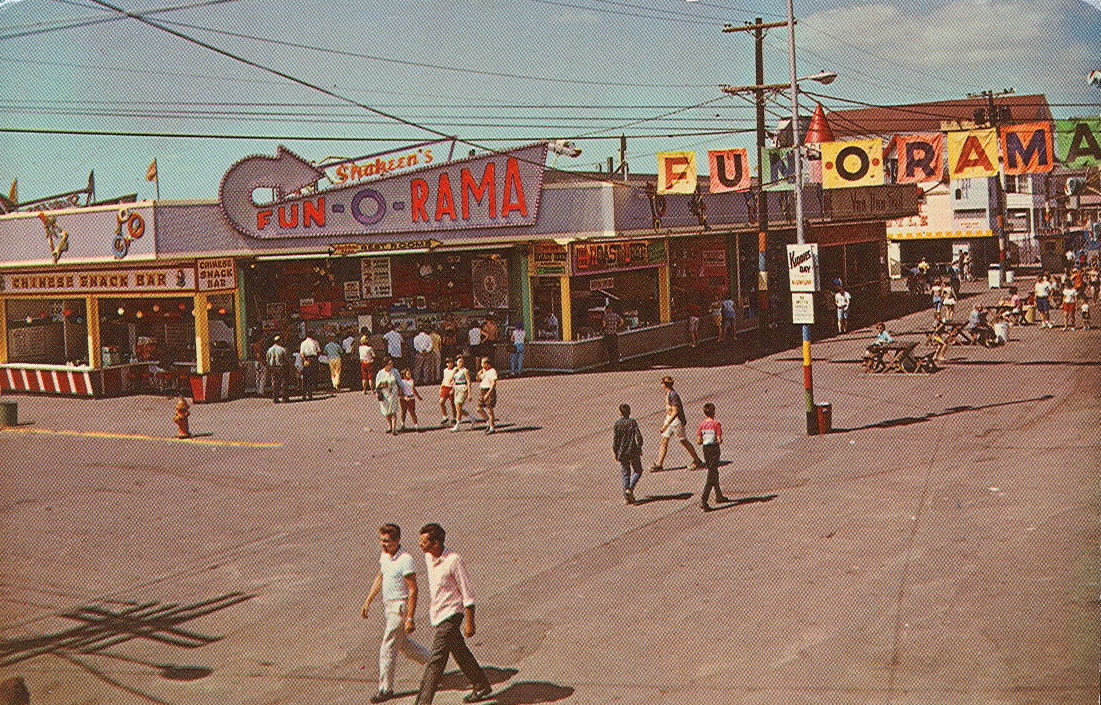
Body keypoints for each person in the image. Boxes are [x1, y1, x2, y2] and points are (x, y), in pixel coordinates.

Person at [413, 523, 493, 705]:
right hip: (438, 614)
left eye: (424, 542)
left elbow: (467, 593)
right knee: (459, 650)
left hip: (452, 615)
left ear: (436, 543)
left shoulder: (453, 560)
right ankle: (481, 684)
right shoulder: (428, 557)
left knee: (436, 661)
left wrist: (469, 622)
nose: (420, 545)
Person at [361, 524, 430, 704]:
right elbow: (380, 576)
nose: (383, 545)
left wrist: (410, 618)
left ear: (397, 540)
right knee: (403, 645)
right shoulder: (385, 556)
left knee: (387, 647)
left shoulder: (405, 559)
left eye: (387, 541)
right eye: (381, 540)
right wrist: (368, 600)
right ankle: (434, 664)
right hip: (388, 607)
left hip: (400, 608)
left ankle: (385, 688)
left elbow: (413, 589)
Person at [650, 376, 702, 473]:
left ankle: (697, 460)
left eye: (662, 383)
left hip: (676, 421)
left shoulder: (673, 395)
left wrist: (666, 425)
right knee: (664, 440)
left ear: (664, 384)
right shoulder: (669, 393)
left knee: (683, 441)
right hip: (669, 419)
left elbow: (675, 411)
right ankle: (659, 464)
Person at [696, 403, 731, 511]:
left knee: (713, 471)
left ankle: (718, 495)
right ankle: (704, 499)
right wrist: (718, 439)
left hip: (706, 450)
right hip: (714, 449)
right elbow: (719, 439)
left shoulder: (702, 425)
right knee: (712, 474)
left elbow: (698, 440)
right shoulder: (716, 424)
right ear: (714, 412)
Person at [612, 403, 644, 505]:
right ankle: (630, 489)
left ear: (620, 413)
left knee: (625, 474)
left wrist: (616, 453)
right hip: (633, 450)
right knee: (638, 470)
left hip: (622, 452)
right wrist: (639, 448)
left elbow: (615, 441)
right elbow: (639, 437)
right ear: (629, 412)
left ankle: (626, 498)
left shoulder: (617, 424)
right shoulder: (632, 422)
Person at [375, 357, 400, 435]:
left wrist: (402, 390)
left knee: (393, 411)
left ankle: (394, 428)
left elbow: (399, 381)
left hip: (393, 392)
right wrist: (381, 387)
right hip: (384, 393)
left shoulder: (395, 371)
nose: (391, 365)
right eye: (389, 364)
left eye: (391, 363)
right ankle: (390, 426)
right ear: (385, 365)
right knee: (386, 412)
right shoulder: (380, 373)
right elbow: (377, 385)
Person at [475, 357, 498, 434]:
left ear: (487, 364)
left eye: (483, 363)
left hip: (489, 390)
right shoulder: (483, 371)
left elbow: (493, 383)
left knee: (489, 409)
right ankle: (488, 421)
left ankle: (492, 427)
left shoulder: (492, 371)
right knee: (478, 408)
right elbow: (478, 379)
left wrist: (488, 394)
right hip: (482, 390)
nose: (481, 365)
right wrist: (479, 374)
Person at [265, 335, 289, 403]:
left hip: (273, 368)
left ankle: (275, 398)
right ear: (279, 341)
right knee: (283, 383)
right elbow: (286, 359)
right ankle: (284, 398)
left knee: (274, 383)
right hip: (281, 367)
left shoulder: (269, 350)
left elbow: (267, 359)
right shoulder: (282, 349)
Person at [450, 357, 472, 431]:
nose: (459, 363)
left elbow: (469, 382)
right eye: (458, 361)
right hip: (457, 388)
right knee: (458, 408)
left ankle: (457, 424)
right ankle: (471, 418)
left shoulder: (465, 371)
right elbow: (452, 380)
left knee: (458, 405)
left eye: (461, 362)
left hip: (463, 388)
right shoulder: (456, 371)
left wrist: (469, 393)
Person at [299, 332, 321, 400]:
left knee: (305, 378)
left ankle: (304, 395)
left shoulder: (303, 343)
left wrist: (305, 360)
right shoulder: (315, 342)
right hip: (313, 359)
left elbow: (301, 353)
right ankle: (310, 394)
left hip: (306, 359)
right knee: (312, 377)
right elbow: (318, 351)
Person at [601, 303, 623, 369]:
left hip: (608, 335)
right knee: (615, 348)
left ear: (607, 309)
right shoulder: (615, 315)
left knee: (610, 349)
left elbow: (604, 325)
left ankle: (611, 363)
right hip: (614, 334)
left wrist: (602, 328)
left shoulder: (606, 316)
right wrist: (617, 326)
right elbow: (622, 321)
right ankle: (616, 362)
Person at [438, 357, 457, 426]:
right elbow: (444, 379)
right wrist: (441, 387)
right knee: (441, 402)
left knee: (452, 404)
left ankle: (454, 417)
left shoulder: (455, 370)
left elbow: (455, 380)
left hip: (451, 387)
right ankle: (445, 416)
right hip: (445, 387)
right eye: (448, 363)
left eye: (451, 363)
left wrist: (453, 388)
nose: (450, 364)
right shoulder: (445, 370)